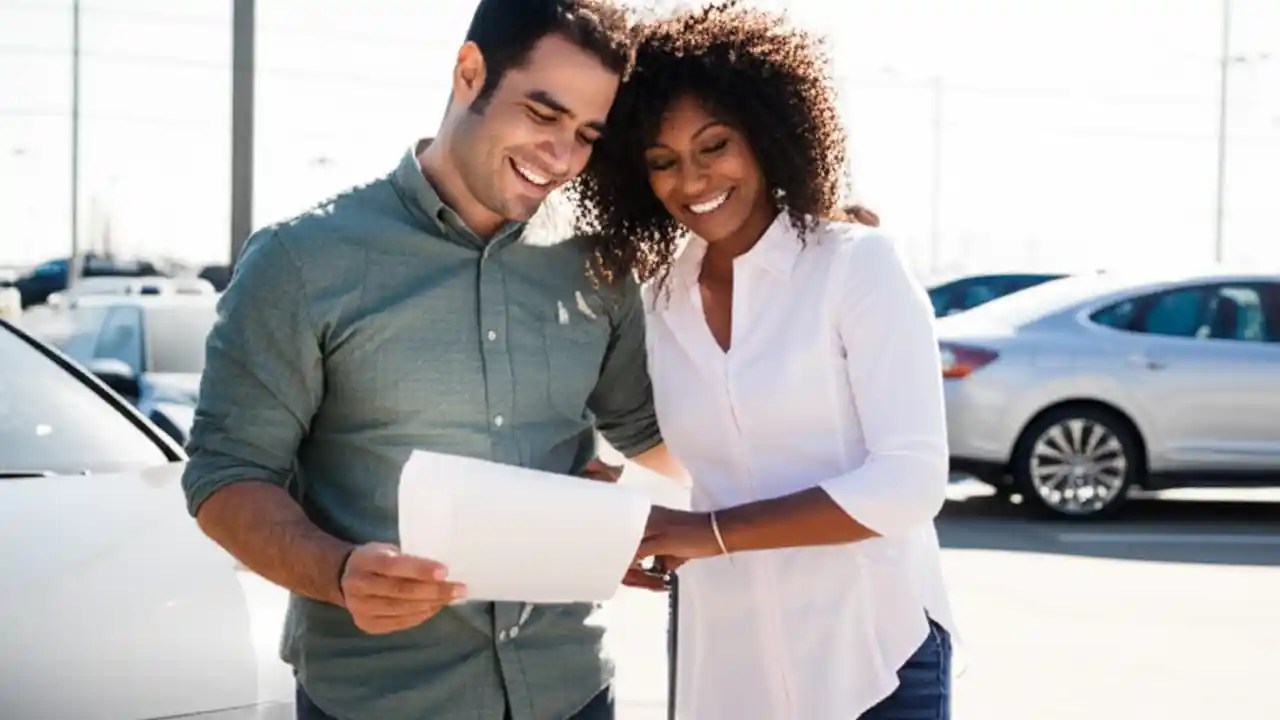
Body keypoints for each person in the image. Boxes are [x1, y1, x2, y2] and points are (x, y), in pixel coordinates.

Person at [181, 2, 681, 718]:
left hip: (571, 691)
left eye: (586, 136)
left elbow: (658, 437)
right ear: (470, 73)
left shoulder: (597, 266)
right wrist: (341, 571)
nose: (562, 157)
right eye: (543, 114)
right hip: (381, 699)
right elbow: (227, 477)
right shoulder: (300, 261)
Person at [573, 3, 956, 718]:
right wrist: (617, 509)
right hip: (726, 658)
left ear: (767, 134)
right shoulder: (658, 299)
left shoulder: (855, 264)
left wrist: (708, 535)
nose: (692, 180)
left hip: (872, 653)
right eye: (662, 161)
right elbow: (705, 457)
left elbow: (910, 482)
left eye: (714, 145)